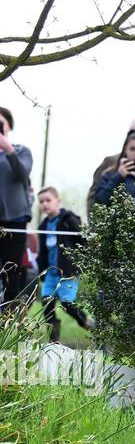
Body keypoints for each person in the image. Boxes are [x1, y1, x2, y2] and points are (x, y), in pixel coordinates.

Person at [35, 187, 91, 343]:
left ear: (57, 200)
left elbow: (84, 240)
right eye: (41, 202)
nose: (45, 204)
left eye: (48, 200)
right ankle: (53, 341)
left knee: (67, 304)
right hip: (51, 274)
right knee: (47, 304)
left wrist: (81, 261)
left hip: (67, 273)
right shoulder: (43, 226)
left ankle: (87, 323)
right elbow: (43, 252)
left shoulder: (69, 219)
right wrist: (42, 271)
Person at [89, 117, 135, 214]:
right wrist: (118, 176)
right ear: (126, 149)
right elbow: (97, 200)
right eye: (132, 149)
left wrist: (132, 203)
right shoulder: (110, 166)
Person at [0, 105, 35, 309]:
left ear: (9, 126)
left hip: (15, 220)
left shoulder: (22, 151)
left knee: (11, 271)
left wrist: (9, 150)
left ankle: (8, 319)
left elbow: (23, 175)